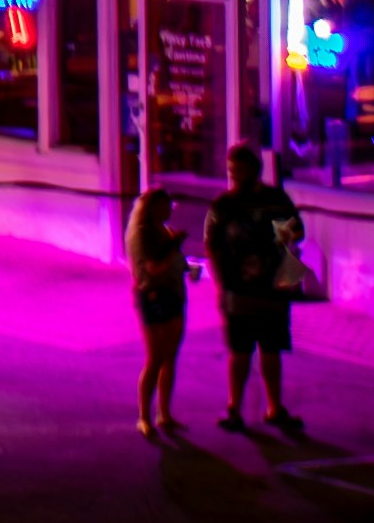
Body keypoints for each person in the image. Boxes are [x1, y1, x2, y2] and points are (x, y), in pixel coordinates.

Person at [209, 142, 306, 430]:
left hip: (272, 288)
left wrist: (287, 235)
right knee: (239, 351)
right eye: (230, 171)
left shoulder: (276, 200)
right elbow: (212, 247)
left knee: (271, 349)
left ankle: (274, 407)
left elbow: (296, 231)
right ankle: (234, 408)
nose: (234, 177)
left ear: (254, 170)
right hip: (237, 290)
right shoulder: (224, 204)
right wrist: (219, 286)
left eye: (238, 171)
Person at [124, 171, 193, 438]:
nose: (169, 211)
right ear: (153, 208)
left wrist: (185, 265)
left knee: (170, 357)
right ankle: (144, 416)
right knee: (155, 357)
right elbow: (151, 267)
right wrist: (173, 246)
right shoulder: (142, 234)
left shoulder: (162, 230)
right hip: (153, 296)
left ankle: (164, 414)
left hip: (174, 294)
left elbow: (173, 262)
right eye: (165, 206)